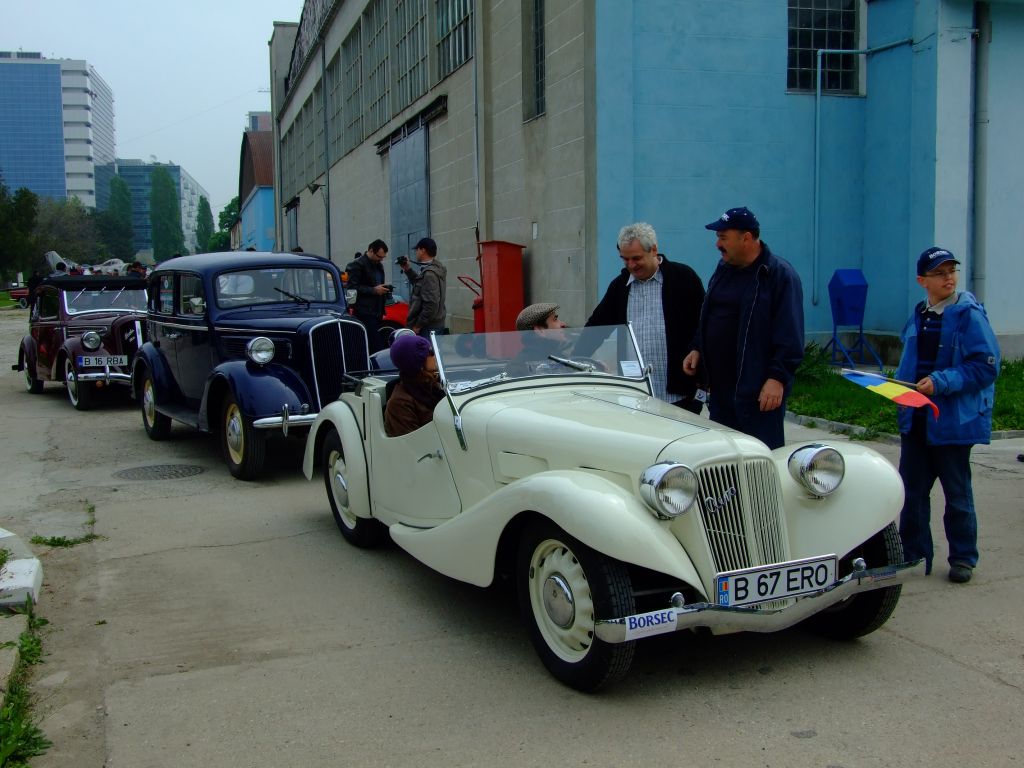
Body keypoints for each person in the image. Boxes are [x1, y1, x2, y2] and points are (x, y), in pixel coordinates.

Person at [895, 247, 1000, 584]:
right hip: (917, 419)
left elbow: (985, 367)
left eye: (952, 271)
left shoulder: (969, 314)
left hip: (953, 421)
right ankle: (914, 555)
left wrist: (940, 382)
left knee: (957, 494)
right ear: (922, 280)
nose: (949, 278)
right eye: (940, 273)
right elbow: (909, 364)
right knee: (912, 493)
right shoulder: (919, 314)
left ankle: (963, 558)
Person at [683, 207, 804, 449]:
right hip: (720, 391)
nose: (718, 244)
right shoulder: (724, 269)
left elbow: (790, 334)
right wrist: (697, 347)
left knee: (760, 459)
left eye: (723, 237)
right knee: (725, 460)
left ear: (746, 238)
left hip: (757, 393)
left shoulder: (778, 275)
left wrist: (777, 378)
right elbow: (711, 313)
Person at [584, 222, 705, 412]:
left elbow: (704, 324)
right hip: (635, 394)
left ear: (654, 250)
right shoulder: (620, 286)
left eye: (636, 258)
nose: (631, 265)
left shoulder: (684, 278)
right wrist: (576, 360)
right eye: (625, 259)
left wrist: (699, 358)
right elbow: (596, 328)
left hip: (679, 393)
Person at [384, 333, 445, 437]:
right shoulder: (400, 402)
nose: (437, 353)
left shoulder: (436, 384)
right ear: (418, 362)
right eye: (431, 352)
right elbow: (411, 444)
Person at [346, 239, 391, 353]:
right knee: (375, 346)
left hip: (377, 311)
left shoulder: (378, 265)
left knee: (375, 344)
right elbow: (352, 288)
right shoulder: (357, 264)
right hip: (364, 311)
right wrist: (374, 290)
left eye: (383, 257)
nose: (381, 259)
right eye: (379, 256)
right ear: (371, 250)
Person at [399, 237, 447, 337]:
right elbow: (420, 286)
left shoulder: (430, 274)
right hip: (432, 325)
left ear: (423, 250)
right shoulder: (436, 268)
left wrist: (418, 326)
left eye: (417, 250)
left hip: (428, 328)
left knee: (425, 353)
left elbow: (431, 305)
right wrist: (407, 269)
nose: (416, 253)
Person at [508, 303, 570, 375]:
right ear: (540, 330)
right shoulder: (517, 367)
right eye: (555, 319)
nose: (563, 324)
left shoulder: (561, 357)